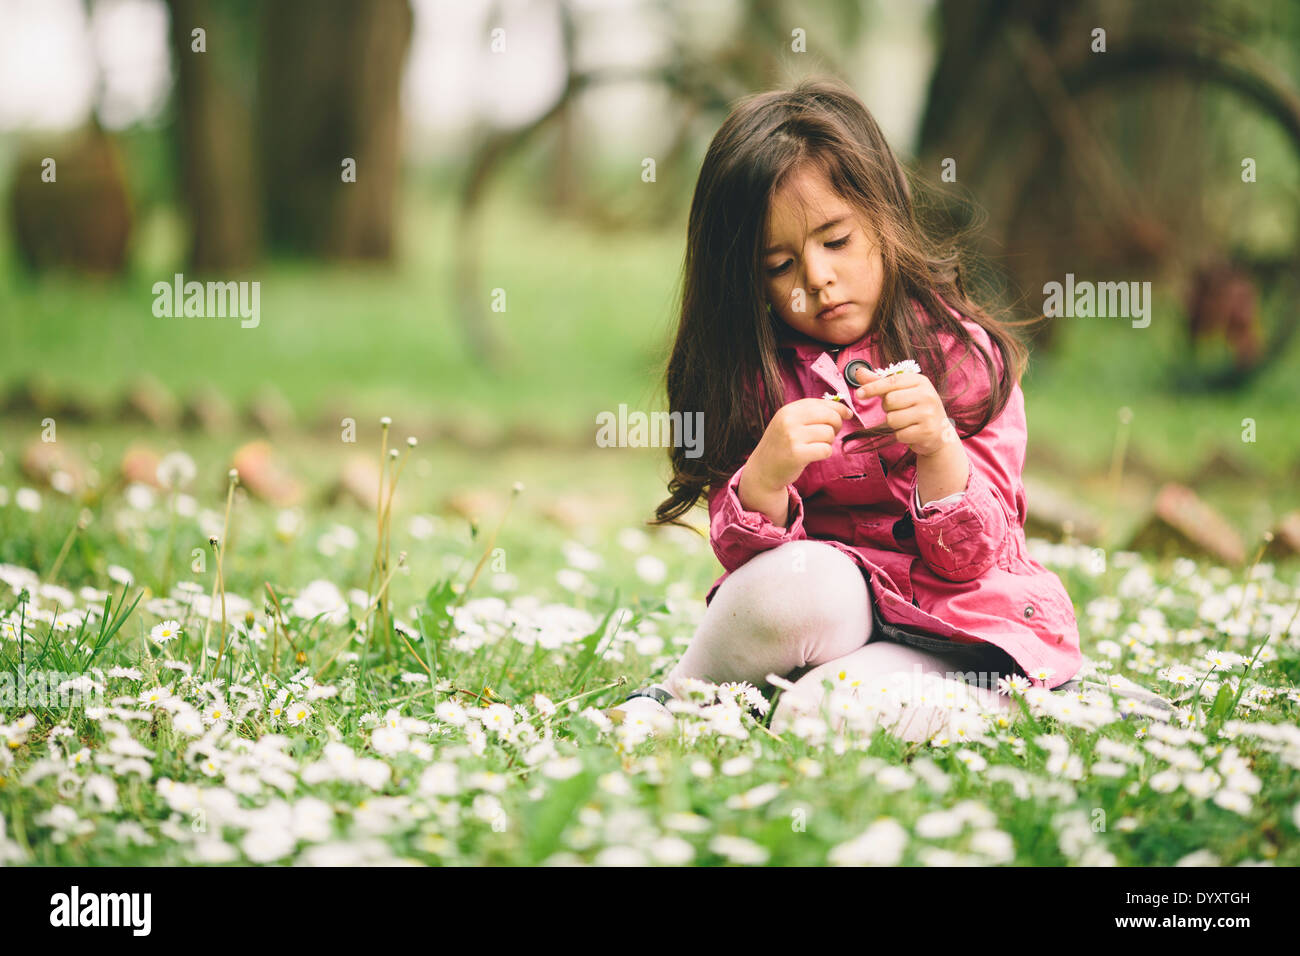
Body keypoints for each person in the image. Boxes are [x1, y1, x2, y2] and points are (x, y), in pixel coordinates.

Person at [612, 75, 1086, 742]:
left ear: (885, 218)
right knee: (795, 589)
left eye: (835, 241)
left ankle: (1031, 704)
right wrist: (765, 479)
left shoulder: (959, 355)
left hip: (959, 631)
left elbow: (976, 560)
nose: (816, 279)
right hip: (840, 618)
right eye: (779, 265)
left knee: (816, 716)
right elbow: (752, 570)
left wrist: (940, 450)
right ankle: (680, 699)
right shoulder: (759, 377)